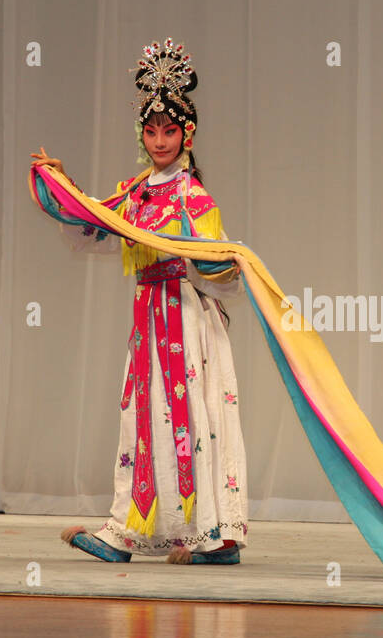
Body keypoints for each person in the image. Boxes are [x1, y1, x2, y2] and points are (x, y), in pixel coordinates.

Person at [36, 38, 248, 566]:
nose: (159, 140)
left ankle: (213, 537)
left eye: (169, 131)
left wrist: (201, 255)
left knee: (193, 419)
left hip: (186, 317)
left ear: (187, 134)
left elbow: (217, 266)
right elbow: (96, 221)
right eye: (151, 131)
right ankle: (130, 530)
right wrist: (61, 185)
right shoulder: (136, 193)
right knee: (143, 416)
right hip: (149, 318)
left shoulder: (191, 197)